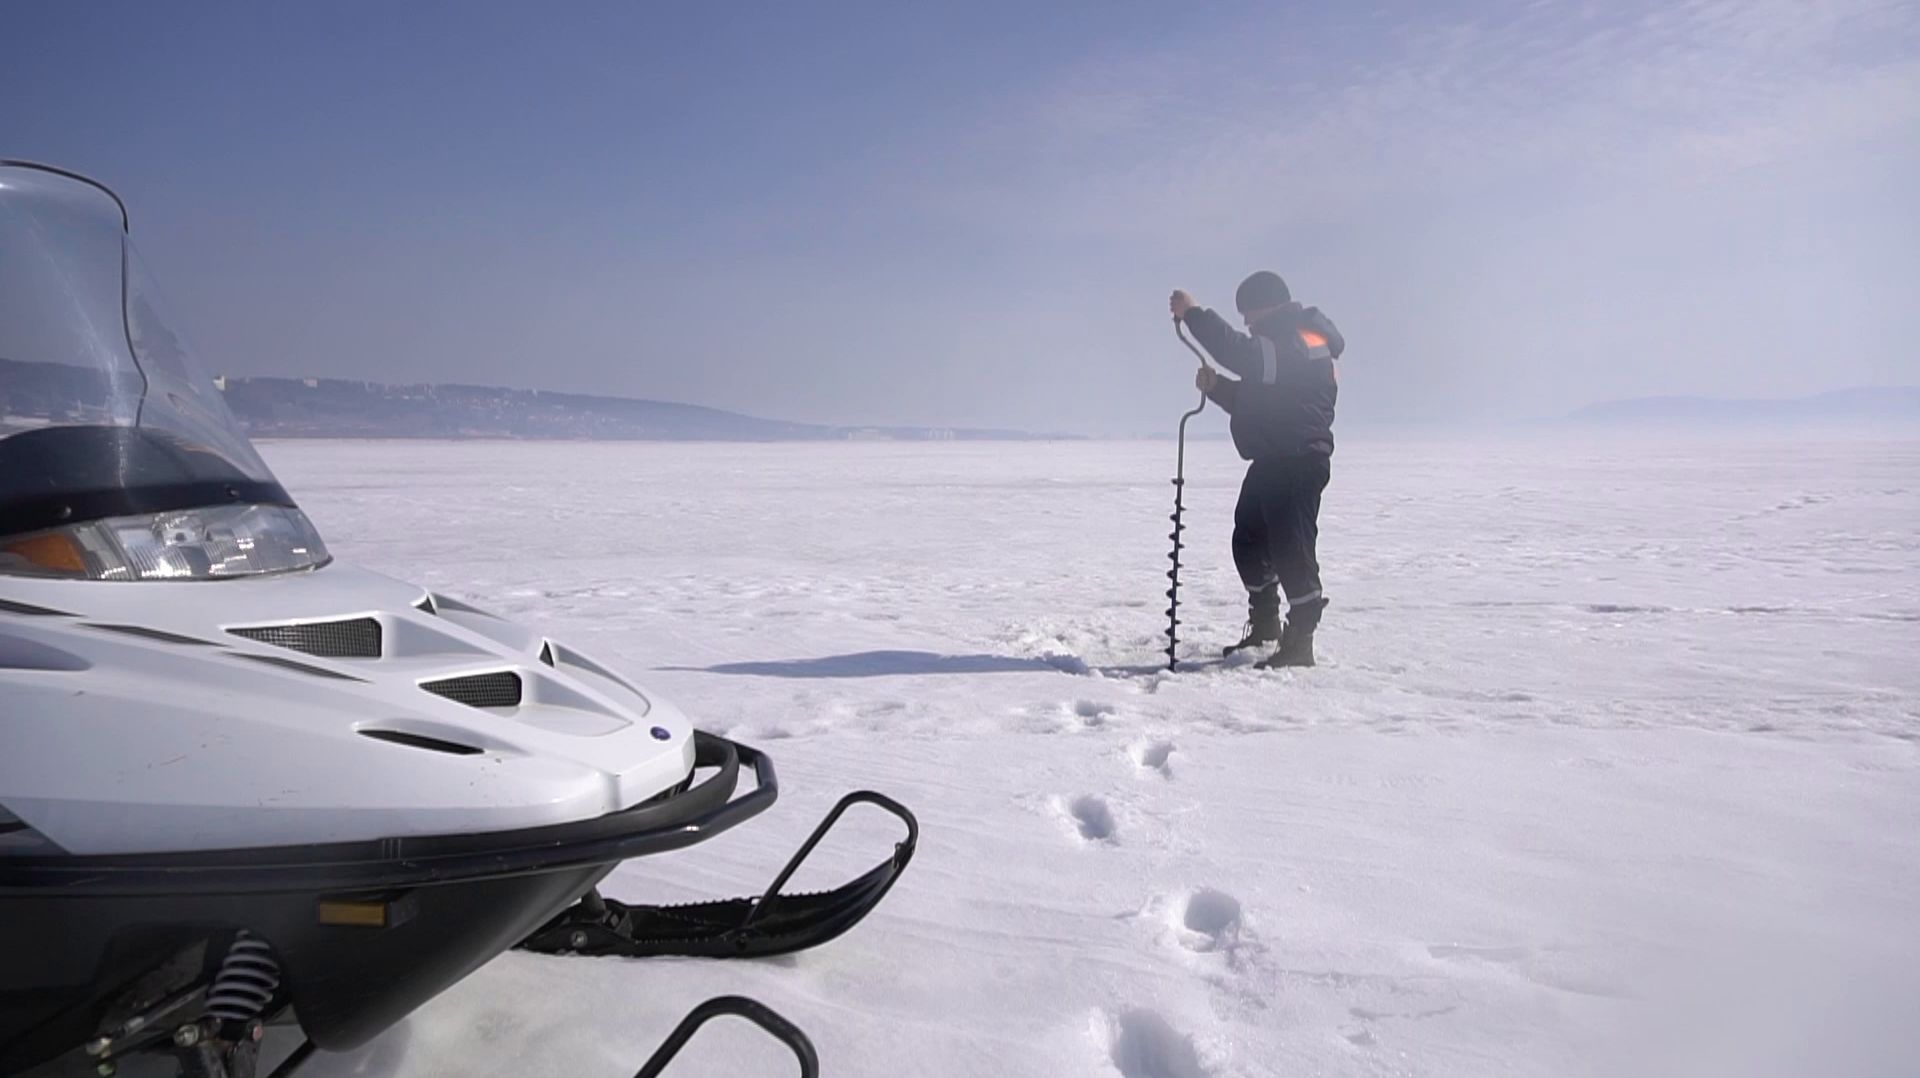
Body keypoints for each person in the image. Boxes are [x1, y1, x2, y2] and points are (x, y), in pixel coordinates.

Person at [1170, 271, 1344, 667]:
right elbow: (1265, 403)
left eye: (1249, 313)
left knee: (1291, 547)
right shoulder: (1280, 346)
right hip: (1272, 459)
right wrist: (1217, 388)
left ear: (1271, 305)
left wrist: (1194, 314)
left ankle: (1300, 643)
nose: (1246, 321)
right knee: (1247, 542)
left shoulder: (1305, 342)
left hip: (1299, 459)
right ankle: (1266, 625)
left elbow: (1241, 354)